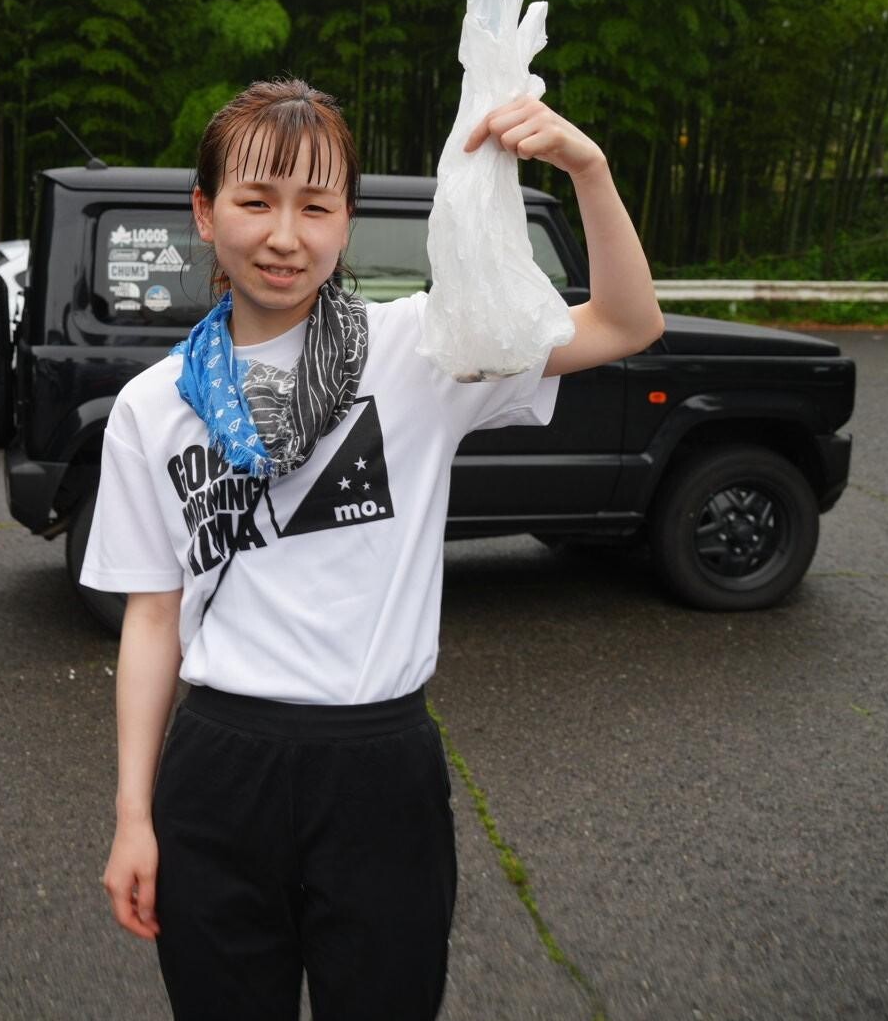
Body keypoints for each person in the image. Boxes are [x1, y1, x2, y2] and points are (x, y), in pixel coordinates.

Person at [82, 77, 663, 1020]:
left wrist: (586, 169)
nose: (285, 235)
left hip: (379, 766)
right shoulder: (155, 405)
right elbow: (152, 619)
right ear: (204, 211)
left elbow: (627, 325)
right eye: (256, 201)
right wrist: (133, 817)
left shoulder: (422, 348)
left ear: (347, 221)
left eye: (316, 206)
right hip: (220, 767)